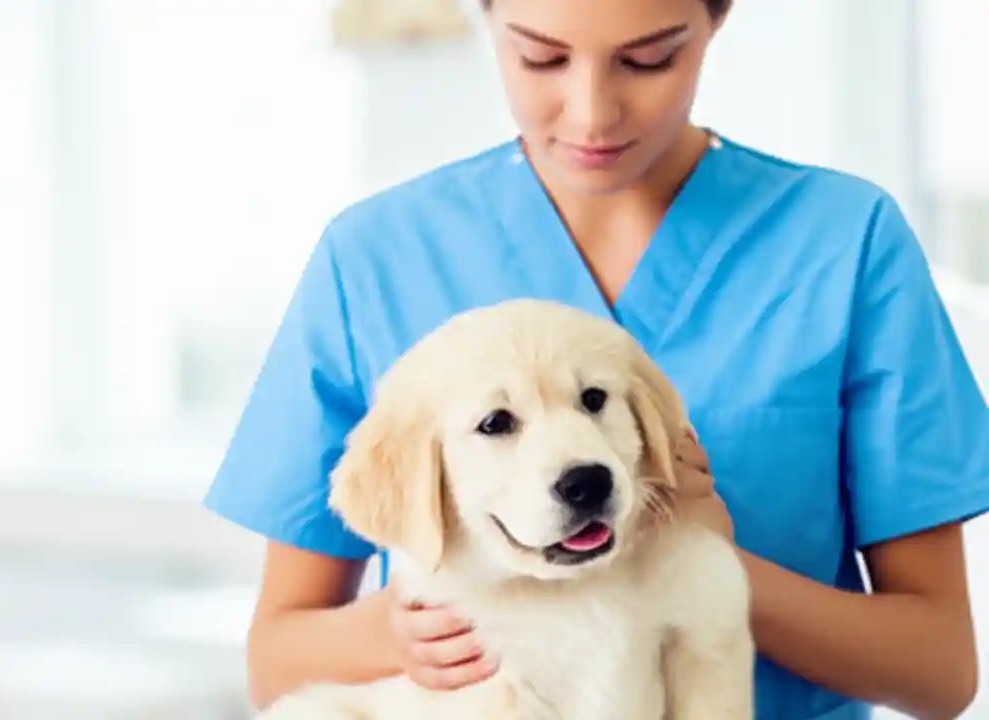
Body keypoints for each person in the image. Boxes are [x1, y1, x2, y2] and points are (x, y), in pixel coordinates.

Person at [202, 0, 989, 717]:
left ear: (716, 20)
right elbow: (278, 663)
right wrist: (398, 634)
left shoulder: (843, 244)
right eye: (541, 59)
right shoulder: (374, 258)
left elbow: (940, 671)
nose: (592, 113)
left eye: (648, 59)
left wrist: (707, 569)